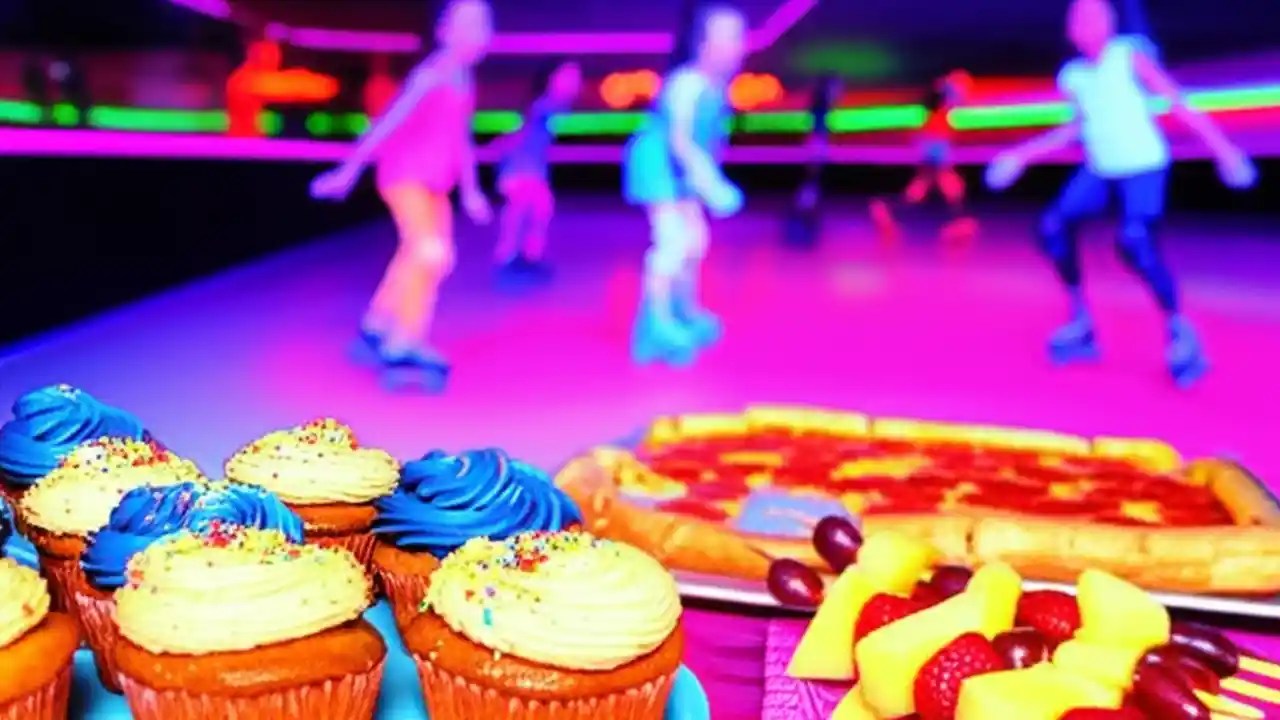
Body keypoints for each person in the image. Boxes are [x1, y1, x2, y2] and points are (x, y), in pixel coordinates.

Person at [985, 0, 1256, 387]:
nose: (1087, 25)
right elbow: (1076, 128)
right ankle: (1082, 325)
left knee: (1135, 242)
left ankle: (1180, 332)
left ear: (1110, 23)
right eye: (1078, 18)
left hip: (1143, 167)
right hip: (1099, 170)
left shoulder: (1128, 56)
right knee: (1052, 228)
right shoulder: (1073, 76)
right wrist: (1020, 156)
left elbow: (1177, 103)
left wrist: (1225, 151)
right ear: (1070, 30)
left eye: (1095, 16)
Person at [310, 0, 494, 384]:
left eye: (482, 23)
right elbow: (387, 124)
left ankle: (376, 325)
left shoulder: (463, 79)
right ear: (443, 30)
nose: (477, 32)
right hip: (404, 176)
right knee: (430, 252)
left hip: (433, 182)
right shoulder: (431, 75)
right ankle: (402, 343)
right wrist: (350, 169)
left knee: (424, 254)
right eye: (467, 23)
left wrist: (472, 189)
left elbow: (462, 139)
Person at [622, 2, 747, 367]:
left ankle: (683, 310)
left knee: (695, 241)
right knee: (673, 242)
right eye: (727, 36)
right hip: (658, 165)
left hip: (684, 171)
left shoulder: (717, 88)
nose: (737, 45)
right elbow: (678, 139)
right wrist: (710, 184)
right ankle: (654, 324)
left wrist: (705, 179)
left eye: (739, 37)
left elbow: (707, 141)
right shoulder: (687, 83)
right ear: (702, 42)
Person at [492, 59, 584, 278]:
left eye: (575, 77)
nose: (574, 82)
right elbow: (521, 134)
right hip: (520, 170)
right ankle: (510, 259)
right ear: (551, 79)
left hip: (531, 170)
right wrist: (500, 151)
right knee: (523, 212)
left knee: (537, 210)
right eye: (567, 76)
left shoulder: (551, 106)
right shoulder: (543, 106)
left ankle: (525, 258)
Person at [869, 69, 976, 245]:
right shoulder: (938, 119)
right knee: (942, 189)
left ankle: (886, 209)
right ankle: (957, 222)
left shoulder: (941, 117)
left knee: (924, 191)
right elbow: (930, 144)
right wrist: (939, 163)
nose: (964, 97)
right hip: (933, 159)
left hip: (933, 159)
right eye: (962, 92)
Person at [785, 74, 841, 247]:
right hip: (814, 159)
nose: (838, 92)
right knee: (808, 195)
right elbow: (815, 137)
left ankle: (801, 233)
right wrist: (816, 157)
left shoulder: (822, 109)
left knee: (809, 195)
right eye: (835, 88)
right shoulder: (820, 110)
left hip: (815, 159)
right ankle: (799, 233)